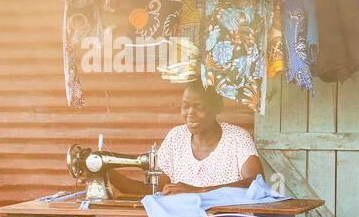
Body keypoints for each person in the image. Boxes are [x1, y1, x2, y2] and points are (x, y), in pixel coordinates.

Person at [109, 81, 262, 197]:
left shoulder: (238, 138)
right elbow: (155, 188)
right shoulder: (176, 137)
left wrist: (198, 191)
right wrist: (112, 177)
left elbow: (256, 182)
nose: (190, 113)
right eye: (185, 106)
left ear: (217, 108)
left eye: (198, 107)